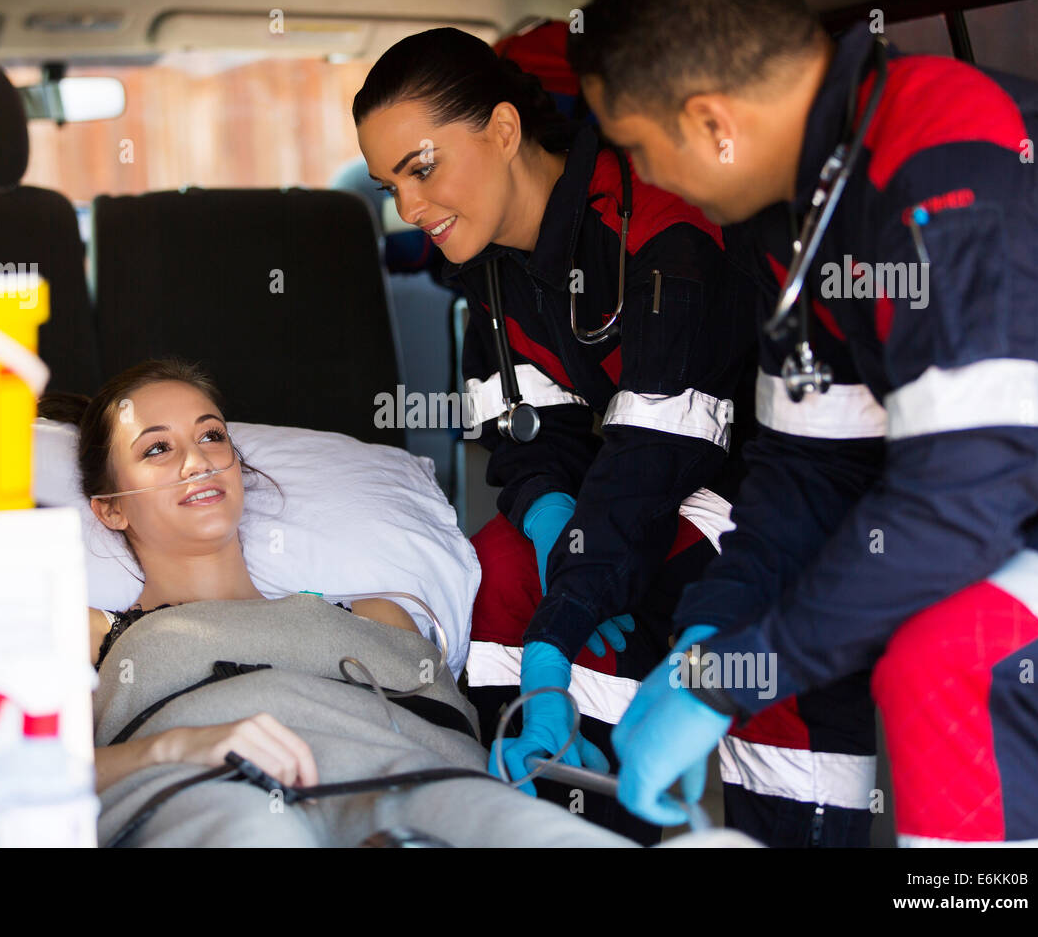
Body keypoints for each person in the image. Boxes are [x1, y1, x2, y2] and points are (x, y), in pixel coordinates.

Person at [572, 0, 1038, 846]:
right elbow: (813, 471)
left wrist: (729, 682)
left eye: (637, 148)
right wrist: (713, 639)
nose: (647, 179)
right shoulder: (805, 215)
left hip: (1022, 493)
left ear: (709, 121)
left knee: (954, 660)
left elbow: (963, 496)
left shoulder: (947, 157)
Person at [352, 27, 759, 833]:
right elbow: (526, 429)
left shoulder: (658, 229)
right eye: (389, 185)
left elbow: (654, 456)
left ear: (504, 131)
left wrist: (562, 623)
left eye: (423, 168)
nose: (410, 208)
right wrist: (546, 514)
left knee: (606, 599)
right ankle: (529, 800)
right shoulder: (490, 271)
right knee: (498, 568)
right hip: (637, 490)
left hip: (748, 490)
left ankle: (615, 819)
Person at [42, 357, 639, 847]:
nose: (196, 460)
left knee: (513, 827)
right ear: (110, 509)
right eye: (156, 450)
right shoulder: (91, 635)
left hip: (412, 782)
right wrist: (175, 748)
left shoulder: (380, 614)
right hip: (199, 791)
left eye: (211, 435)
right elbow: (19, 781)